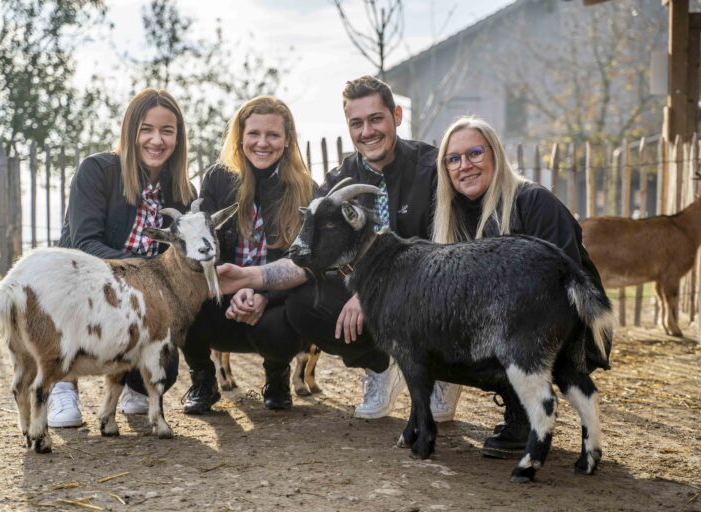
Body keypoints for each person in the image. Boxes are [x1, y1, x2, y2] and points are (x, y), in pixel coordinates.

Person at [216, 75, 460, 422]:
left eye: (376, 119)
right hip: (375, 298)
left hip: (431, 288)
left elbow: (452, 249)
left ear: (397, 116)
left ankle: (442, 370)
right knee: (304, 304)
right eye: (356, 123)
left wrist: (372, 287)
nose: (367, 131)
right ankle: (380, 364)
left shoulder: (433, 168)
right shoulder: (336, 182)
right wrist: (249, 277)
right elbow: (306, 258)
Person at [431, 115, 609, 458]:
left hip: (566, 327)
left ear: (495, 154)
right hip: (503, 328)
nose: (464, 165)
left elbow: (563, 291)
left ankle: (527, 414)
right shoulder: (453, 218)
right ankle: (517, 401)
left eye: (474, 153)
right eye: (453, 159)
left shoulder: (534, 202)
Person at [50, 87, 195, 428]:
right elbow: (84, 244)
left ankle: (134, 387)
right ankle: (61, 384)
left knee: (167, 364)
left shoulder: (184, 194)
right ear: (130, 132)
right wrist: (149, 274)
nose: (156, 140)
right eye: (146, 129)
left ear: (178, 138)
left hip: (141, 301)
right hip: (85, 285)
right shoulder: (97, 171)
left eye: (167, 131)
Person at [180, 96, 315, 414]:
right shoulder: (217, 179)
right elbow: (203, 245)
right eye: (254, 133)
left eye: (273, 135)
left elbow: (306, 262)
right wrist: (231, 290)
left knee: (293, 313)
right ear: (240, 137)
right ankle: (203, 380)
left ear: (287, 140)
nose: (262, 143)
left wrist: (264, 295)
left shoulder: (306, 189)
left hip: (271, 309)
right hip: (221, 301)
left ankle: (277, 376)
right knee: (182, 295)